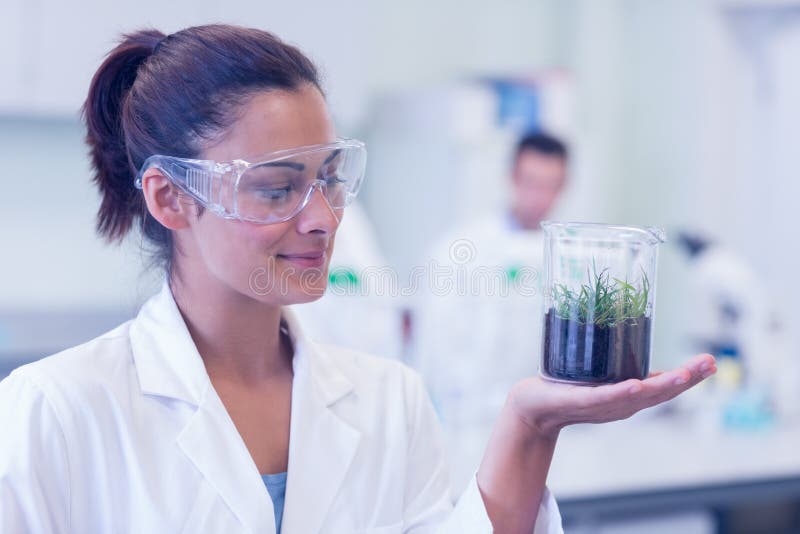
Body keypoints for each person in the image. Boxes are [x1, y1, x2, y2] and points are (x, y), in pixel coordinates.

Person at [0, 25, 716, 534]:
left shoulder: (387, 401)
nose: (323, 218)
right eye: (278, 188)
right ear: (170, 198)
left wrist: (530, 426)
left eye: (331, 180)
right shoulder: (53, 413)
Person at [414, 133, 570, 490]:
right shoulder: (462, 249)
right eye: (531, 182)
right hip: (468, 429)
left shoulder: (570, 257)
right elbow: (436, 350)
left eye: (551, 185)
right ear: (512, 178)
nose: (540, 197)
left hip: (547, 427)